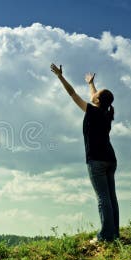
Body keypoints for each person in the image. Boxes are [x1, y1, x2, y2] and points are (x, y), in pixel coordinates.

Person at [49, 63, 119, 244]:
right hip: (111, 159)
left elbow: (72, 94)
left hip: (96, 160)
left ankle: (105, 237)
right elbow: (95, 97)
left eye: (96, 93)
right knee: (111, 197)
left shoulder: (93, 111)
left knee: (103, 198)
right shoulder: (106, 113)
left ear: (97, 100)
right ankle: (114, 234)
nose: (94, 94)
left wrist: (60, 77)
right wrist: (90, 84)